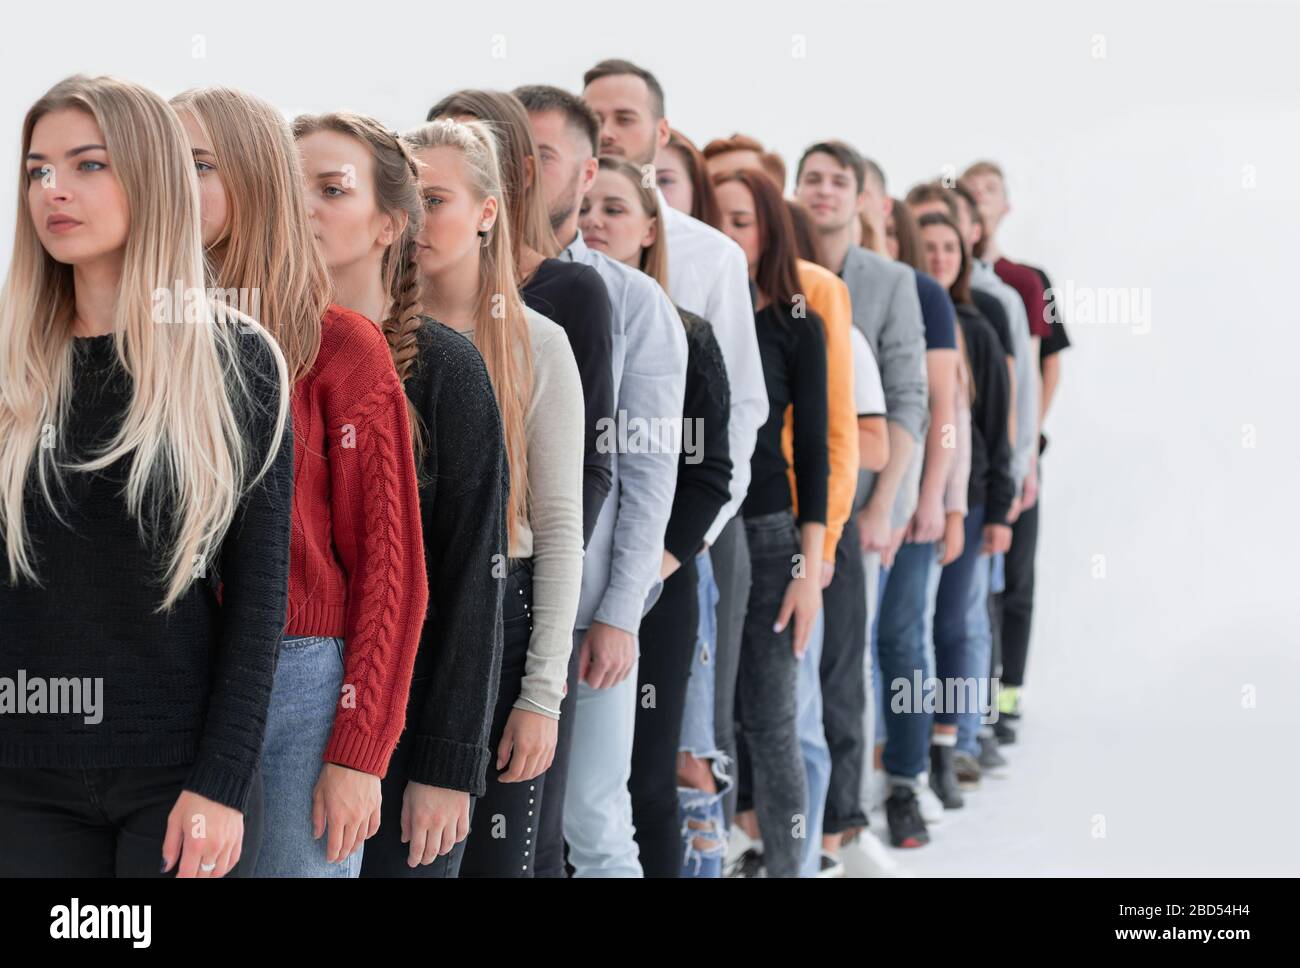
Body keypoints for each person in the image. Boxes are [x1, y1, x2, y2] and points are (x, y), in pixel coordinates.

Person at [0, 75, 293, 877]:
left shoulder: (236, 361)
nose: (54, 189)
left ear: (153, 179)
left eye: (88, 164)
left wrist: (222, 782)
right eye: (37, 170)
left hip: (177, 779)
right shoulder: (9, 367)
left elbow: (260, 597)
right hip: (22, 780)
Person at [173, 87, 429, 879]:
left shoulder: (340, 345)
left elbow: (392, 568)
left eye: (201, 164)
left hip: (298, 685)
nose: (177, 184)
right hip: (166, 674)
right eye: (164, 163)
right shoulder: (141, 335)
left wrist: (360, 751)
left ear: (252, 179)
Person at [292, 111, 509, 877]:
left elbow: (471, 577)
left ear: (391, 222)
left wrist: (448, 764)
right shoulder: (259, 357)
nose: (304, 206)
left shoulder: (447, 371)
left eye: (330, 189)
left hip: (407, 734)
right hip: (281, 723)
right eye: (290, 187)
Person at [582, 61, 768, 838]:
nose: (607, 129)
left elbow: (734, 427)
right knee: (581, 783)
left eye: (624, 116)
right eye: (594, 116)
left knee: (655, 765)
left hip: (680, 544)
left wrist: (666, 555)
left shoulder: (708, 261)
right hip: (578, 565)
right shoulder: (553, 273)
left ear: (660, 130)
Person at [401, 117, 586, 876]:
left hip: (501, 625)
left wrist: (541, 695)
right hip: (395, 624)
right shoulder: (373, 337)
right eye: (405, 199)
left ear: (486, 212)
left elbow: (560, 525)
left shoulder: (536, 344)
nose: (416, 220)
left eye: (435, 199)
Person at [517, 83, 687, 877]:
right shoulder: (455, 277)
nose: (521, 171)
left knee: (592, 815)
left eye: (543, 156)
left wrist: (622, 611)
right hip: (499, 601)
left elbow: (648, 473)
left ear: (586, 175)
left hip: (590, 608)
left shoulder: (632, 301)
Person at [580, 156, 734, 876]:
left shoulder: (684, 332)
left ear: (649, 229)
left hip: (658, 586)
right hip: (575, 586)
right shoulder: (553, 315)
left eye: (614, 209)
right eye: (586, 208)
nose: (595, 222)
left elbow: (708, 478)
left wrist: (645, 567)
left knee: (644, 780)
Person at [793, 140, 930, 859]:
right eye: (811, 178)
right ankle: (786, 822)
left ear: (860, 197)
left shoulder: (890, 282)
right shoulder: (777, 267)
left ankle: (844, 818)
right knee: (791, 668)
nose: (822, 191)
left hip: (861, 499)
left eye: (836, 181)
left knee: (845, 663)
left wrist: (887, 508)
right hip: (791, 501)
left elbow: (910, 398)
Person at [426, 89, 615, 547]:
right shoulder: (396, 305)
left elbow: (587, 465)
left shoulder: (570, 293)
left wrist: (544, 586)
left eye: (473, 143)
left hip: (513, 578)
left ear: (520, 171)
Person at [714, 167, 828, 879]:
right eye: (717, 218)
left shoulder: (795, 323)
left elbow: (814, 452)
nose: (727, 234)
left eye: (742, 221)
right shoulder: (687, 304)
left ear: (767, 234)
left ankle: (793, 865)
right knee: (708, 724)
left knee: (772, 723)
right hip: (701, 537)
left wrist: (809, 574)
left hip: (768, 534)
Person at [917, 211, 1014, 803]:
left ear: (963, 253)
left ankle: (954, 745)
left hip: (969, 501)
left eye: (948, 246)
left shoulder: (978, 326)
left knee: (955, 623)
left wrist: (999, 509)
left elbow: (995, 430)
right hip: (916, 500)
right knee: (916, 629)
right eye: (925, 246)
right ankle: (919, 748)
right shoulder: (914, 314)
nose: (937, 257)